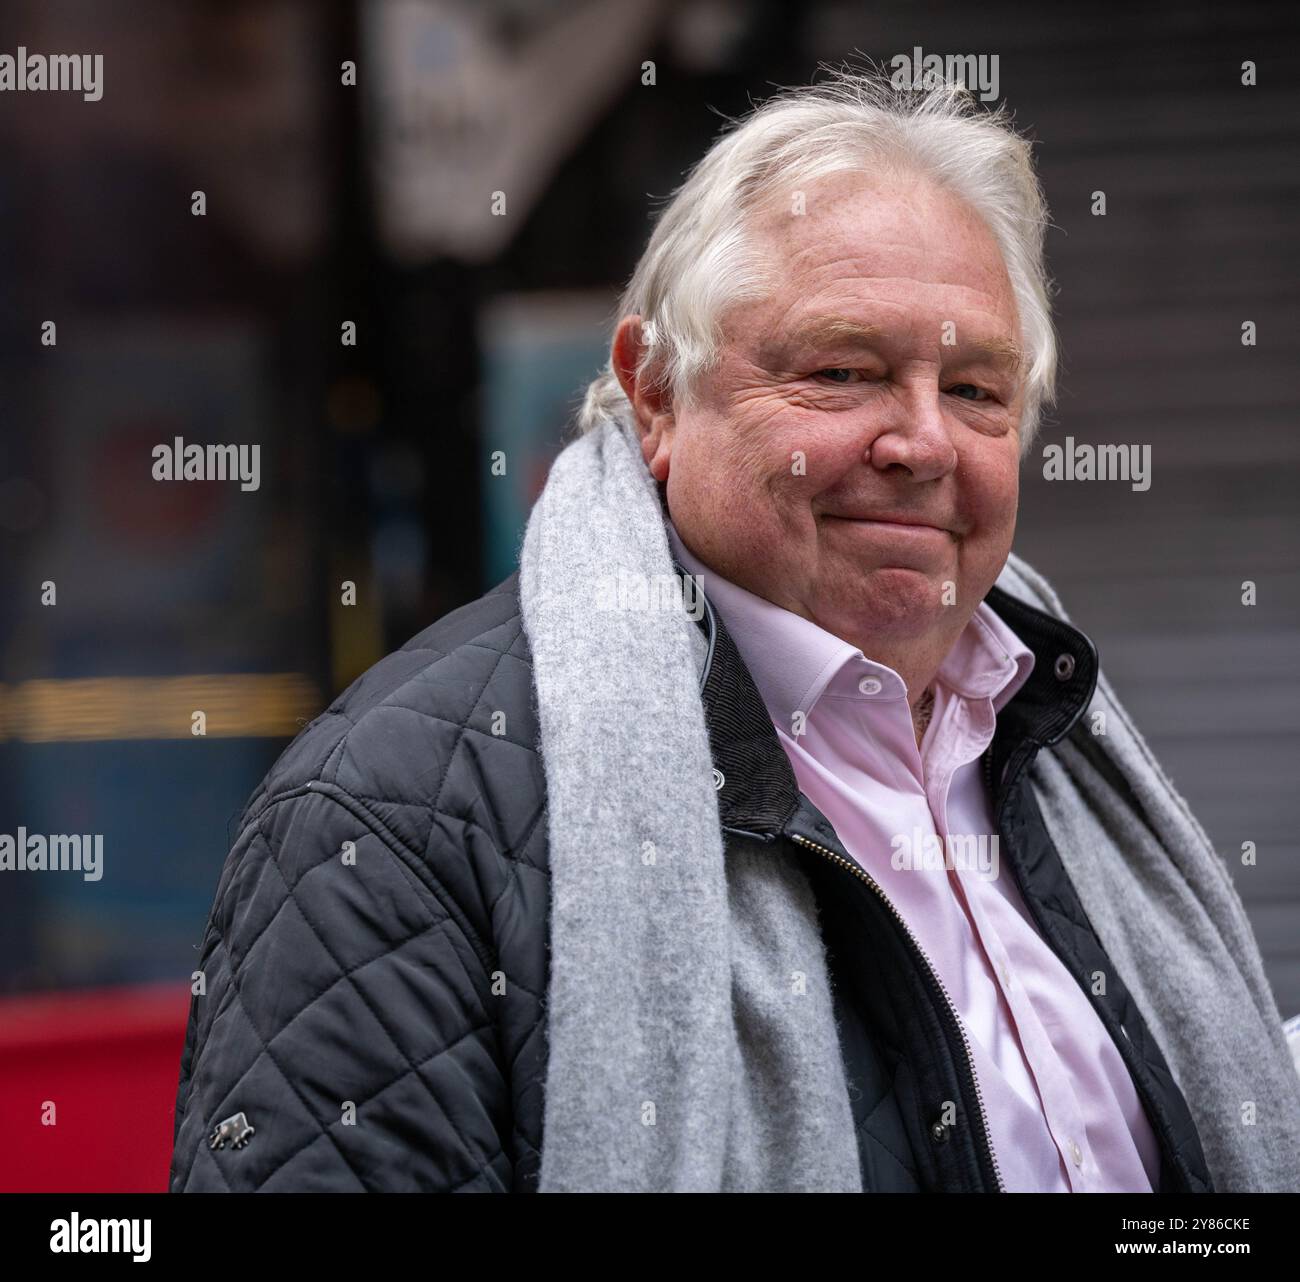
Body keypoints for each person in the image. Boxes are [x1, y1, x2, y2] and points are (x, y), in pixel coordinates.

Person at [169, 68, 1300, 1193]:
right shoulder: (393, 815)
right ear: (655, 392)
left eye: (974, 389)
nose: (922, 442)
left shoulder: (1056, 732)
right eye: (842, 371)